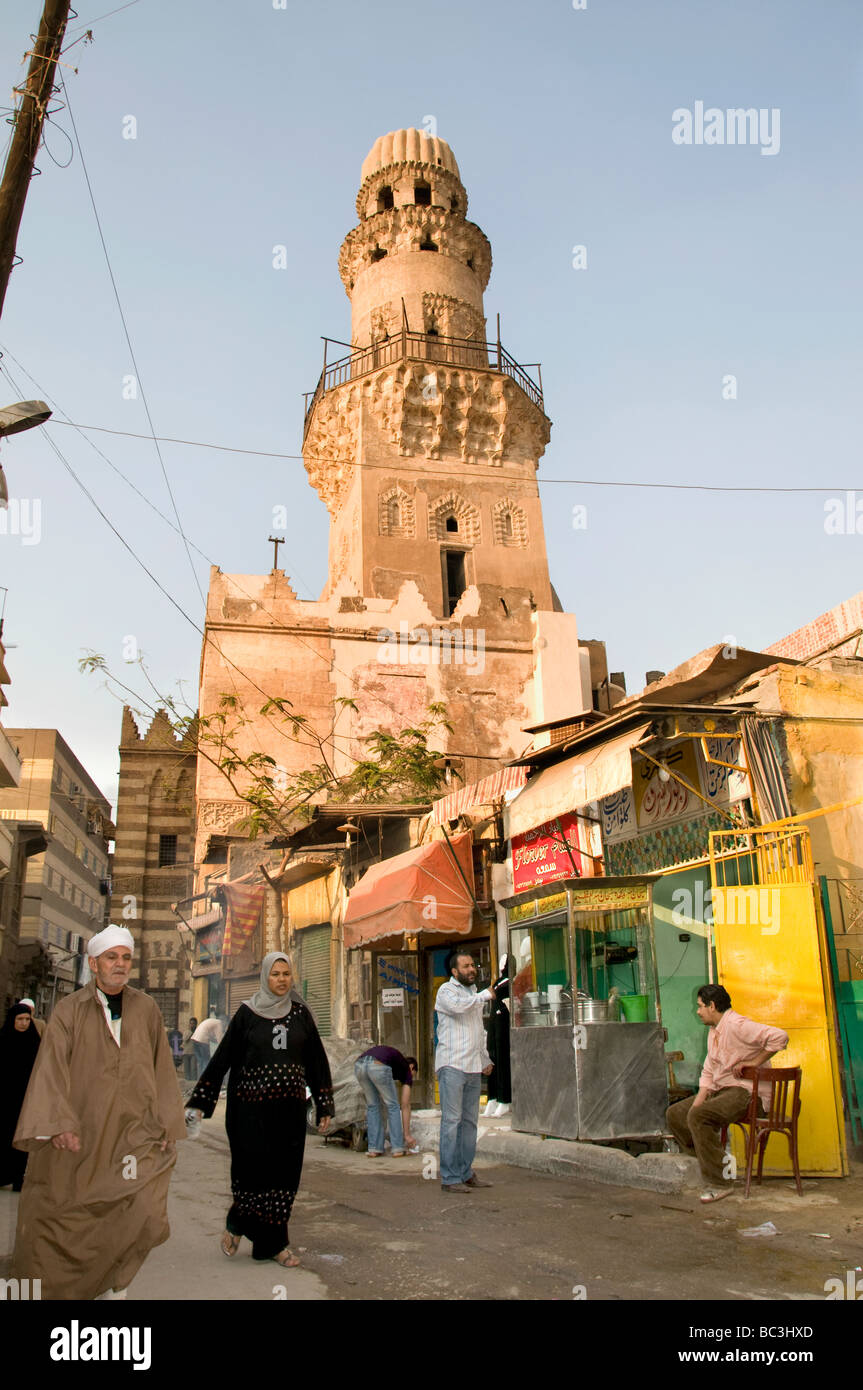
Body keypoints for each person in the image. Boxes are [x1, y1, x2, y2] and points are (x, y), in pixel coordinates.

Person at [11, 924, 186, 1299]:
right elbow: (51, 1068)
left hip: (134, 1132)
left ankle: (116, 1286)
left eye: (125, 957)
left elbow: (161, 1069)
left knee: (137, 1209)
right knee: (69, 1216)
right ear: (93, 963)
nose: (120, 965)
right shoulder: (69, 1011)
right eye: (112, 958)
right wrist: (57, 1123)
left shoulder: (147, 1008)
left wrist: (168, 1122)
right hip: (81, 1132)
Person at [186, 951, 334, 1267]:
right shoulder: (247, 1015)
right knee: (252, 1176)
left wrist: (324, 1105)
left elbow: (317, 1063)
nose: (281, 980)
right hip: (249, 1113)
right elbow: (222, 1058)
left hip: (289, 1113)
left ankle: (273, 1245)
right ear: (264, 977)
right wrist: (201, 1101)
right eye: (275, 974)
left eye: (286, 974)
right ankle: (238, 1222)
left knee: (283, 1179)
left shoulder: (301, 1015)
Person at [666, 983, 789, 1204]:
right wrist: (698, 1102)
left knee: (699, 1116)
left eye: (700, 1006)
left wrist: (753, 1062)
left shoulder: (737, 1025)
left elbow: (780, 1036)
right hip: (722, 1091)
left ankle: (720, 1182)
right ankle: (711, 1162)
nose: (698, 1011)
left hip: (748, 1094)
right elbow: (708, 1070)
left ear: (712, 1006)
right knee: (676, 1114)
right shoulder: (714, 1031)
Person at [434, 950, 495, 1193]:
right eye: (467, 966)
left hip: (471, 1067)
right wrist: (484, 996)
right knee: (451, 1122)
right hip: (452, 1066)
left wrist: (484, 1058)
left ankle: (465, 1172)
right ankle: (449, 1178)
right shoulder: (446, 992)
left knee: (469, 1123)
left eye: (473, 965)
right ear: (454, 972)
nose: (472, 969)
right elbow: (459, 1009)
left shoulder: (472, 994)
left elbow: (478, 1031)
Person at [0, 1003, 41, 1191]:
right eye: (20, 1019)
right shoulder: (3, 1040)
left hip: (26, 1099)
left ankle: (18, 1176)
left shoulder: (35, 1043)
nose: (24, 1023)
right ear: (12, 1020)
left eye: (27, 1019)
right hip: (4, 1099)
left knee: (21, 1137)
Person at [354, 1046, 418, 1156]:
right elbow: (405, 1105)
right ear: (412, 1068)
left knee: (373, 1106)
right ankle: (398, 1148)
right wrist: (407, 1135)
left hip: (359, 1065)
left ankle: (374, 1149)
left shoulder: (395, 1064)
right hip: (377, 1064)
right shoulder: (407, 1070)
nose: (411, 1079)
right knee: (393, 1106)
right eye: (413, 1075)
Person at [485, 954, 513, 1117]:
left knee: (503, 1060)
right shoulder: (499, 981)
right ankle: (493, 1097)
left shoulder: (511, 980)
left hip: (504, 1023)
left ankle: (504, 1098)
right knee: (493, 1058)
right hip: (495, 1023)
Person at [191, 1011, 224, 1075]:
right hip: (202, 1041)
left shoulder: (211, 1021)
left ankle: (199, 1080)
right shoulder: (219, 1023)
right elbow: (220, 1040)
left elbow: (211, 1037)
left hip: (195, 1039)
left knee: (200, 1062)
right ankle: (204, 1079)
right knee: (206, 1061)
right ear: (224, 1021)